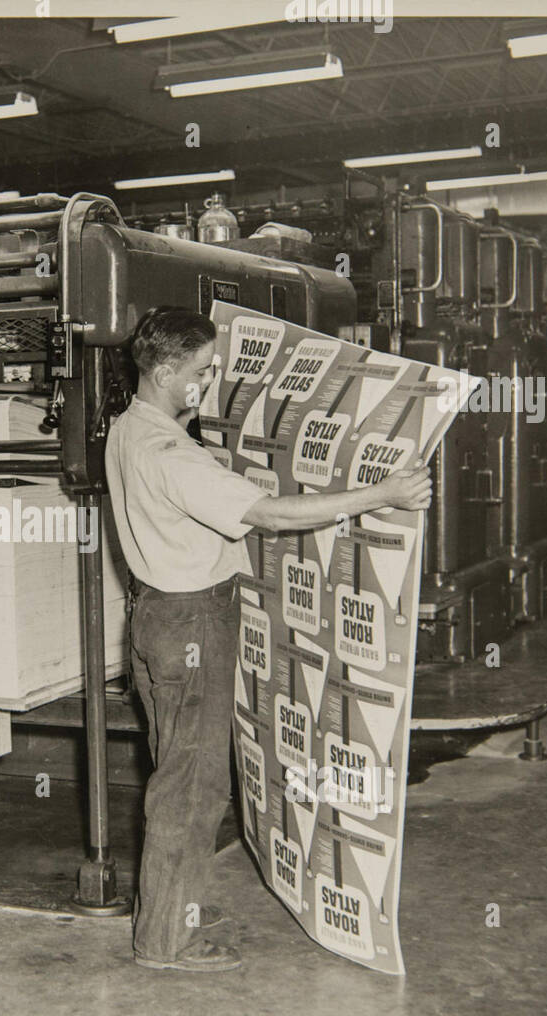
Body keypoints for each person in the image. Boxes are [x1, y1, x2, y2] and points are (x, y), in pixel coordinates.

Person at [105, 307, 432, 973]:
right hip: (190, 621)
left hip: (158, 616)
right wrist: (379, 493)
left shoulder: (131, 427)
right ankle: (166, 940)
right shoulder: (169, 454)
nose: (212, 379)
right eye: (201, 371)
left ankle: (173, 909)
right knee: (193, 785)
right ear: (165, 371)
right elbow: (270, 515)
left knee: (178, 767)